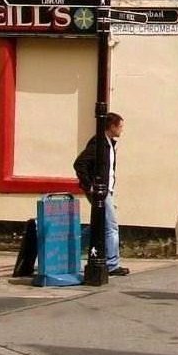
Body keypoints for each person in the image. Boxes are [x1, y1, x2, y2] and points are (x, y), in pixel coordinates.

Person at [73, 112, 129, 277]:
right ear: (111, 127)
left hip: (107, 190)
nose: (121, 130)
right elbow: (79, 163)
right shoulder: (99, 143)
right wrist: (89, 185)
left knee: (99, 225)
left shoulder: (110, 143)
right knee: (112, 227)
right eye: (120, 126)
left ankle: (72, 246)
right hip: (100, 190)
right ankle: (112, 263)